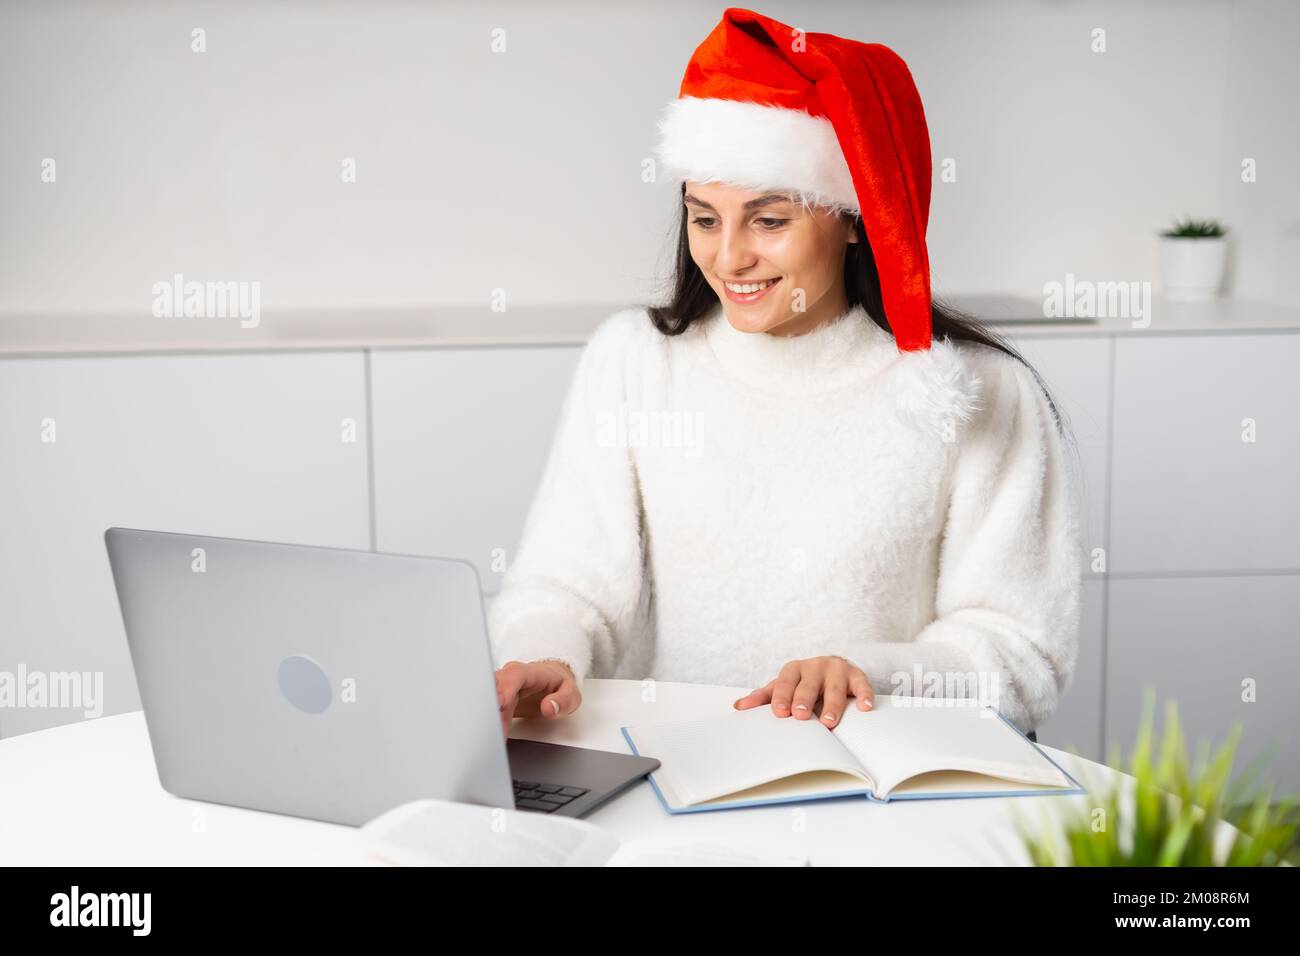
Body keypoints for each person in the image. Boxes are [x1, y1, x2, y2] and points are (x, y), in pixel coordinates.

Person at [490, 8, 1082, 741]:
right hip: (682, 770)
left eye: (768, 221)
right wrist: (545, 652)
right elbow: (567, 585)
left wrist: (867, 670)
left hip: (878, 784)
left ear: (852, 216)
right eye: (704, 218)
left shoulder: (982, 393)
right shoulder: (633, 362)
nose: (729, 257)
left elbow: (1023, 655)